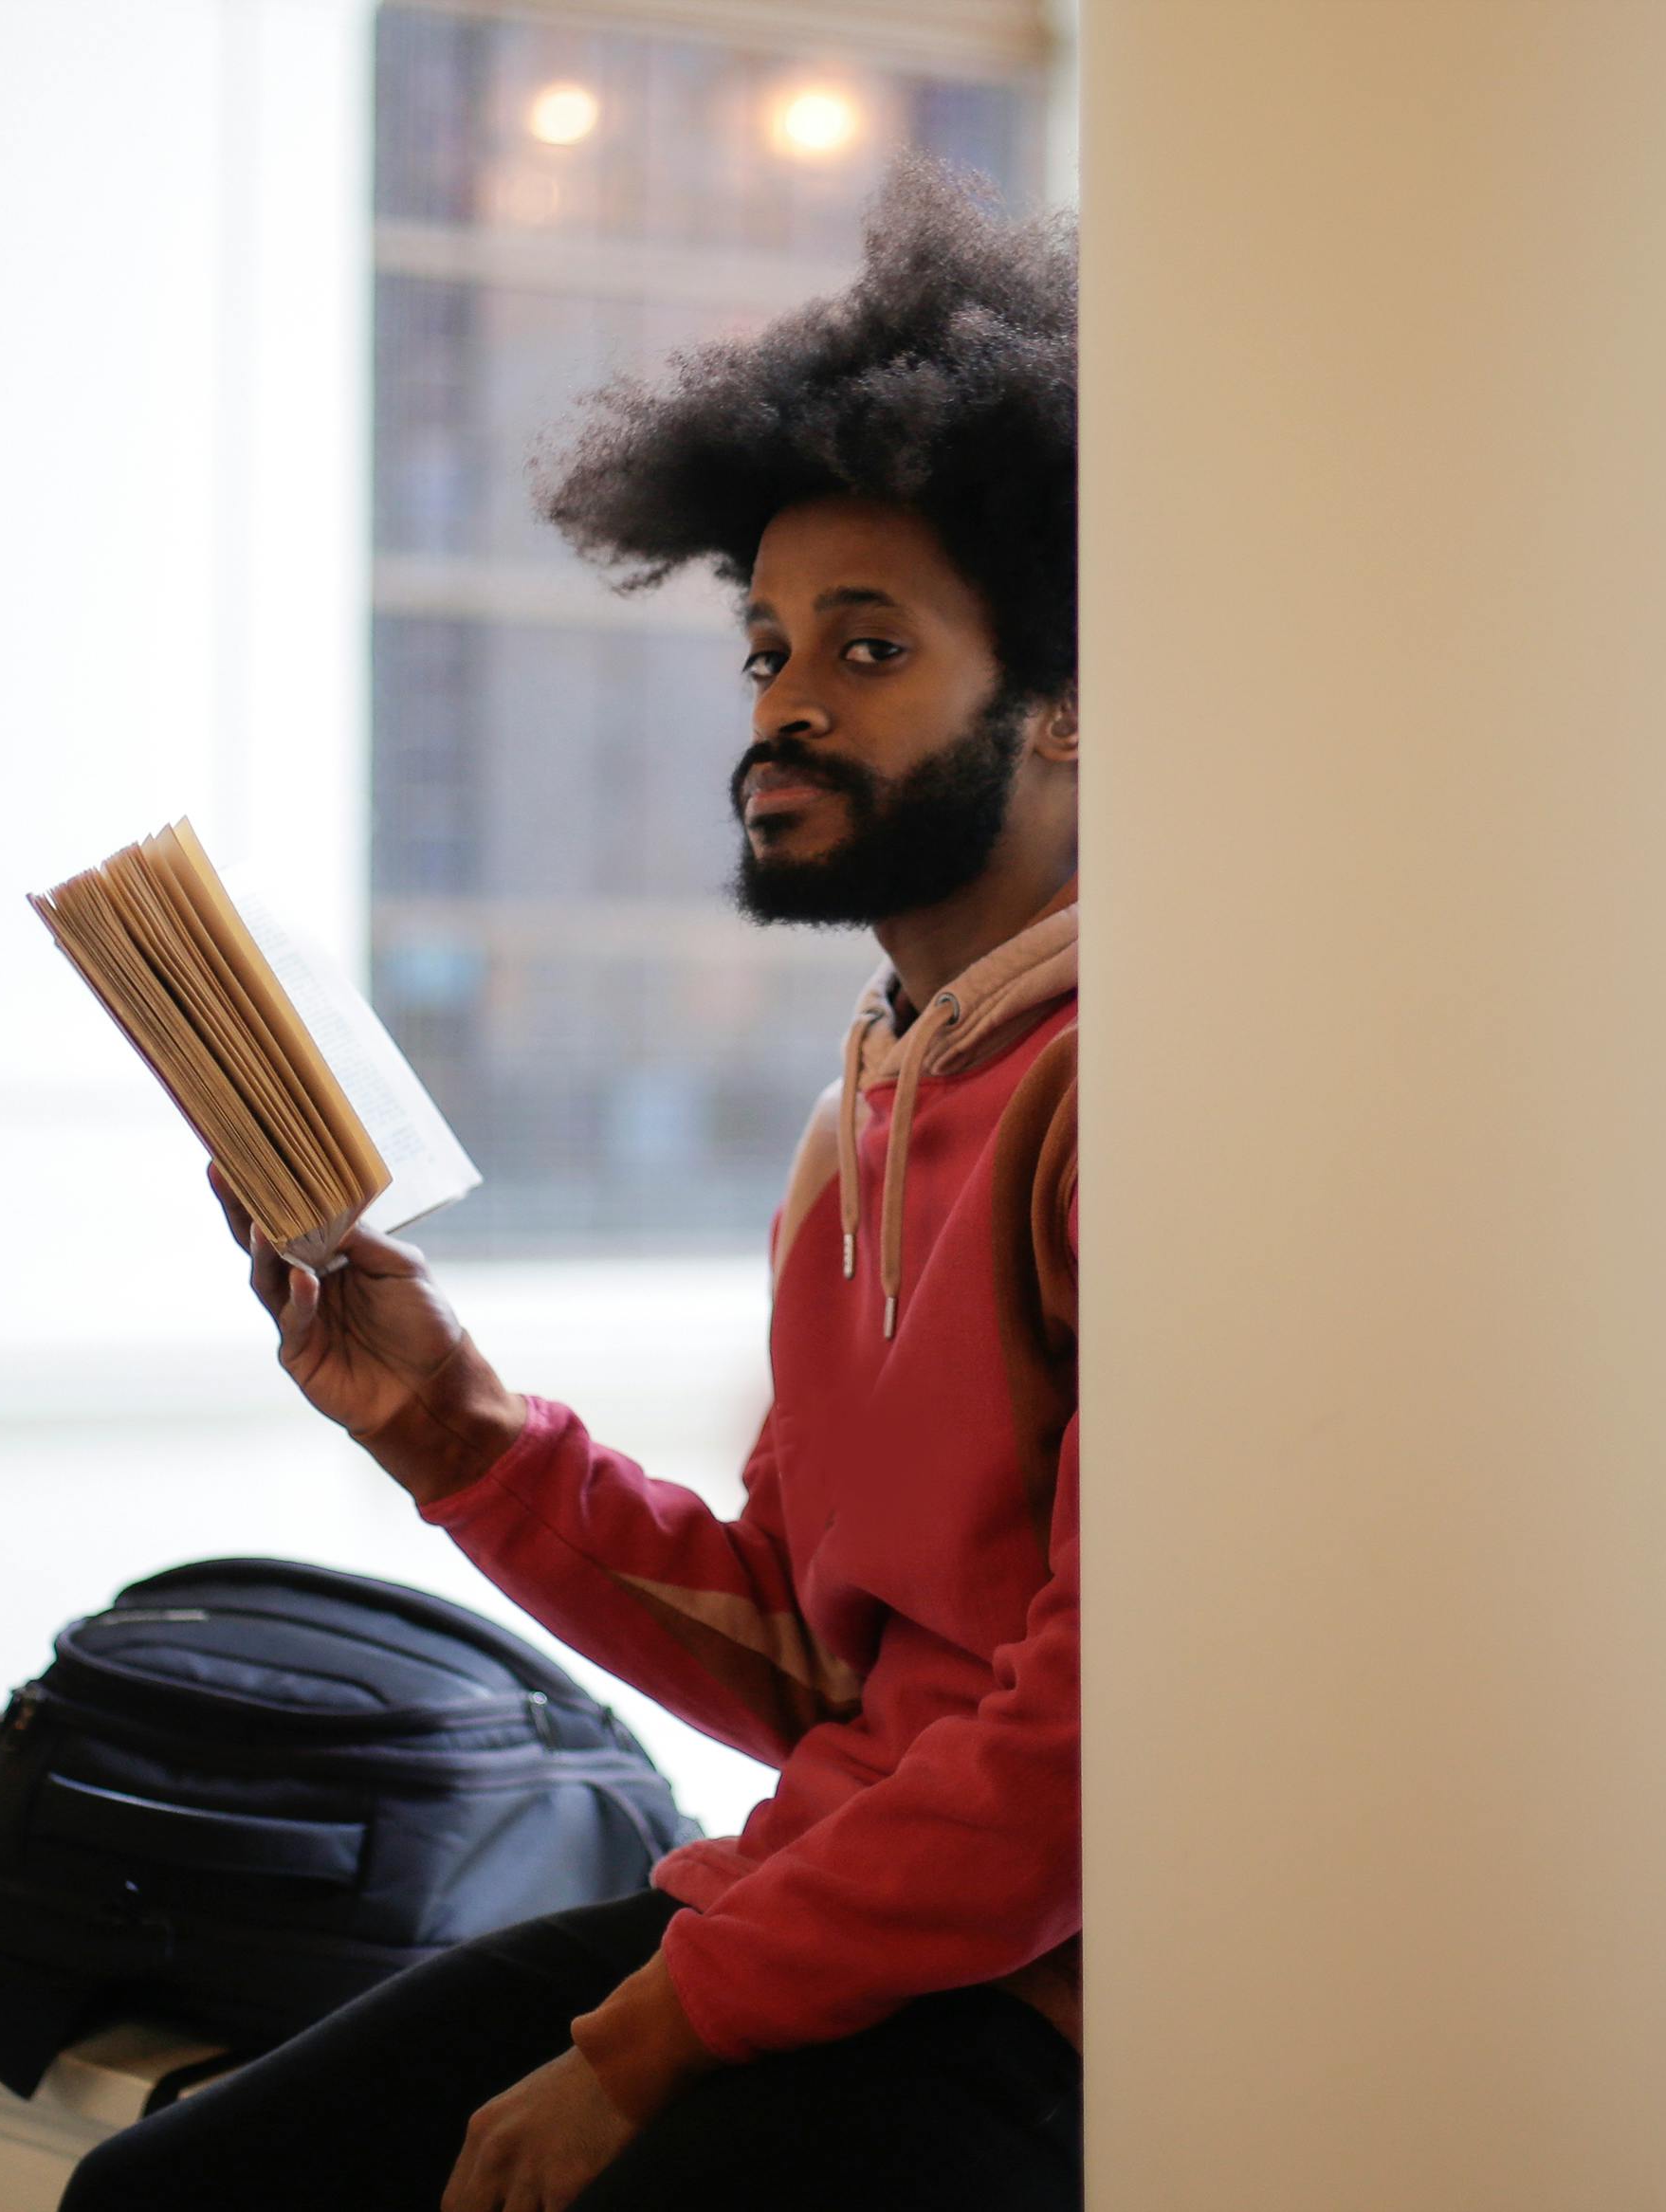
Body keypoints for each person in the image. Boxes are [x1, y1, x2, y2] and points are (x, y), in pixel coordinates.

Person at [60, 157, 1081, 2212]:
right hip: (813, 1932)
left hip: (1046, 2009)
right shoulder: (862, 1120)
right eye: (772, 646)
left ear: (1069, 710)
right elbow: (816, 1663)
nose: (785, 702)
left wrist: (641, 2050)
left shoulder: (1144, 1100)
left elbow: (1093, 1742)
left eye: (868, 649)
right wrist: (447, 1428)